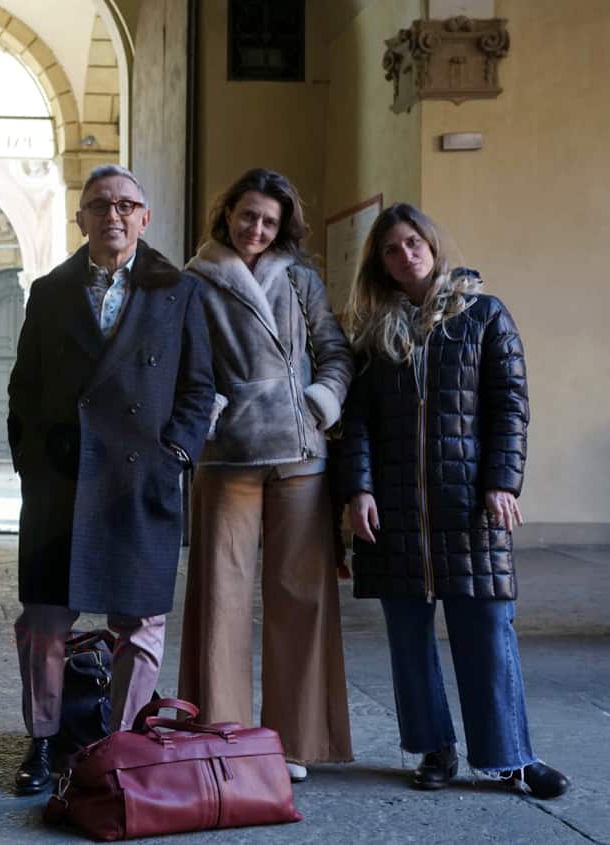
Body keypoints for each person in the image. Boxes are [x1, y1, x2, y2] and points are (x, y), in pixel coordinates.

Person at [339, 202, 569, 798]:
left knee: (488, 626)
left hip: (470, 502)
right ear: (382, 264)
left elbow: (510, 406)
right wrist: (357, 488)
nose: (405, 254)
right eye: (392, 249)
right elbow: (357, 421)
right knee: (408, 635)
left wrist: (501, 481)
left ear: (433, 247)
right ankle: (433, 749)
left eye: (414, 242)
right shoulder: (372, 334)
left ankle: (510, 757)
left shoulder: (484, 316)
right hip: (393, 507)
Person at [7, 164, 215, 795]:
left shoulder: (178, 292)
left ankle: (117, 745)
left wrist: (175, 455)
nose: (113, 215)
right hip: (62, 482)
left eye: (127, 205)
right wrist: (31, 462)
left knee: (140, 623)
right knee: (43, 623)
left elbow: (199, 387)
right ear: (82, 219)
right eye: (99, 205)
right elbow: (22, 386)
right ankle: (42, 742)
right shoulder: (48, 291)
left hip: (139, 478)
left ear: (144, 219)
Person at [176, 168, 354, 782]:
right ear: (227, 213)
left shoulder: (301, 279)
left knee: (301, 597)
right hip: (227, 455)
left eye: (269, 221)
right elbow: (183, 364)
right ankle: (222, 732)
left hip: (301, 450)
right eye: (247, 215)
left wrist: (318, 401)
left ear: (283, 229)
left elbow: (334, 351)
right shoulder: (194, 282)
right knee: (220, 598)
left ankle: (294, 740)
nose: (256, 228)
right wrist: (214, 414)